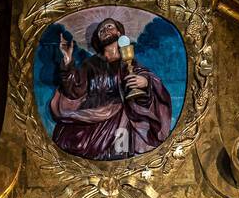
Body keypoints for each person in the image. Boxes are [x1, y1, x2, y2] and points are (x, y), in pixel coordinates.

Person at [50, 17, 172, 160]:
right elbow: (73, 89)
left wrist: (145, 82)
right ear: (98, 39)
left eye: (109, 26)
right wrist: (67, 60)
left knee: (120, 152)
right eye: (101, 30)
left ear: (119, 33)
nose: (105, 30)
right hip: (91, 114)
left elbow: (141, 74)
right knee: (67, 140)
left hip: (119, 116)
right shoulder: (90, 64)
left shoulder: (127, 60)